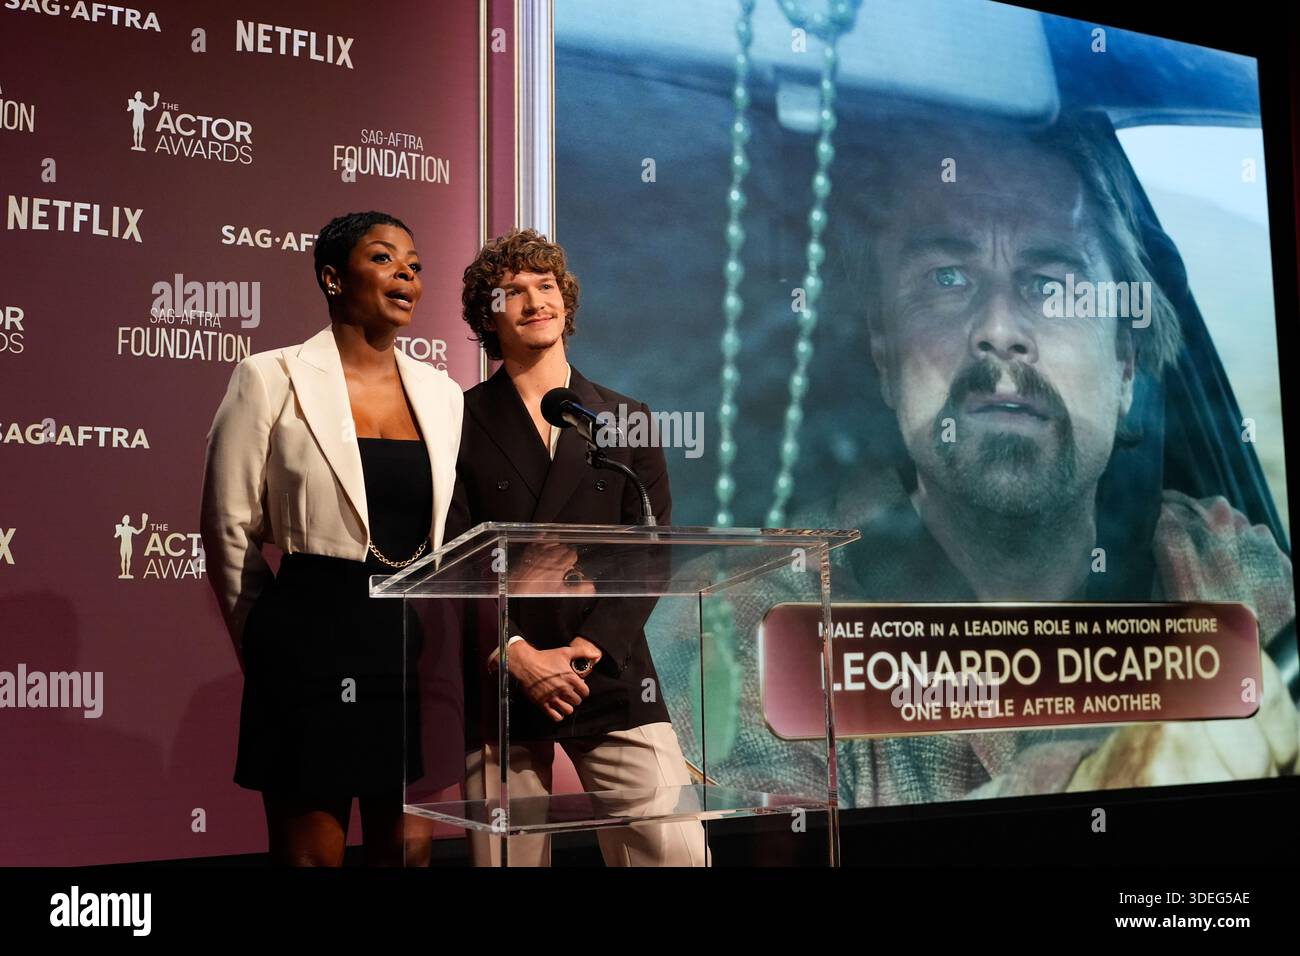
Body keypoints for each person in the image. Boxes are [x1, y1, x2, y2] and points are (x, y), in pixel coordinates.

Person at [655, 112, 1299, 806]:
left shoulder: (1222, 564)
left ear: (1125, 366)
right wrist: (1099, 786)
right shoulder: (742, 620)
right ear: (884, 352)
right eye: (948, 278)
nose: (998, 330)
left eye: (1053, 285)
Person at [199, 211, 463, 865]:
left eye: (415, 264)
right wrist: (264, 645)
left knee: (409, 851)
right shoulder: (270, 376)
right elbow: (227, 528)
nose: (405, 272)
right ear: (331, 277)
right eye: (383, 258)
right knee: (311, 854)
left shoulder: (443, 392)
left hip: (408, 639)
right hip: (309, 632)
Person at [448, 228, 708, 866]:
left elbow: (651, 550)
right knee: (507, 859)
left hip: (608, 672)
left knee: (675, 852)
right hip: (505, 678)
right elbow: (451, 557)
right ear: (489, 315)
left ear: (565, 302)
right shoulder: (457, 420)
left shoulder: (626, 418)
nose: (537, 300)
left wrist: (588, 649)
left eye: (547, 286)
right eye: (514, 291)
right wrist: (515, 653)